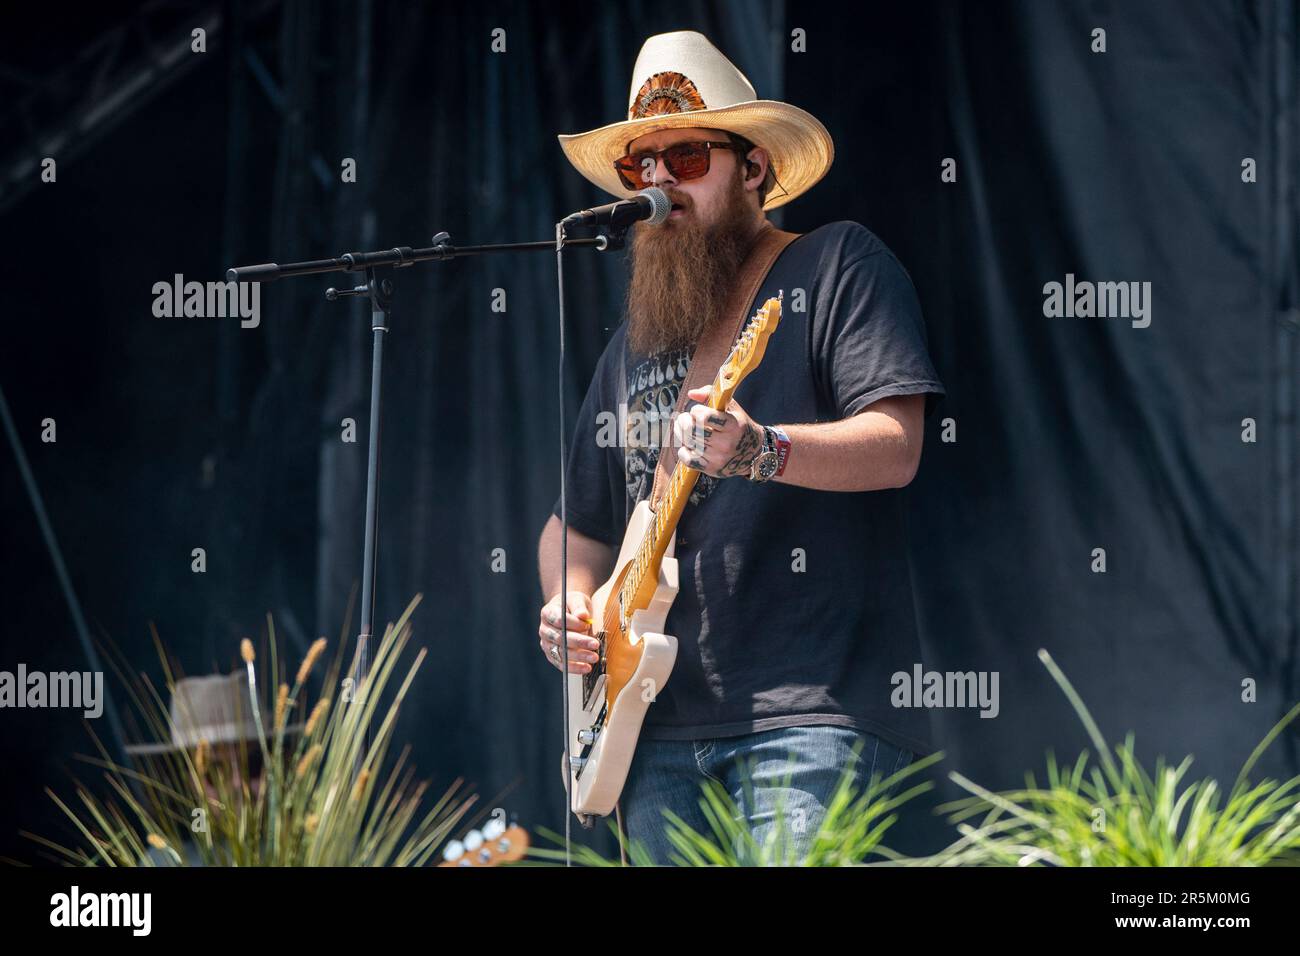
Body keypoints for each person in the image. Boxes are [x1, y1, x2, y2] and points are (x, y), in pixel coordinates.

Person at [537, 30, 945, 864]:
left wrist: (764, 449)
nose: (655, 182)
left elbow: (897, 444)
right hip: (651, 733)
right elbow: (572, 528)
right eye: (638, 166)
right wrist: (569, 606)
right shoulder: (632, 348)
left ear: (753, 167)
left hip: (809, 718)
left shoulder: (837, 266)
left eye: (684, 158)